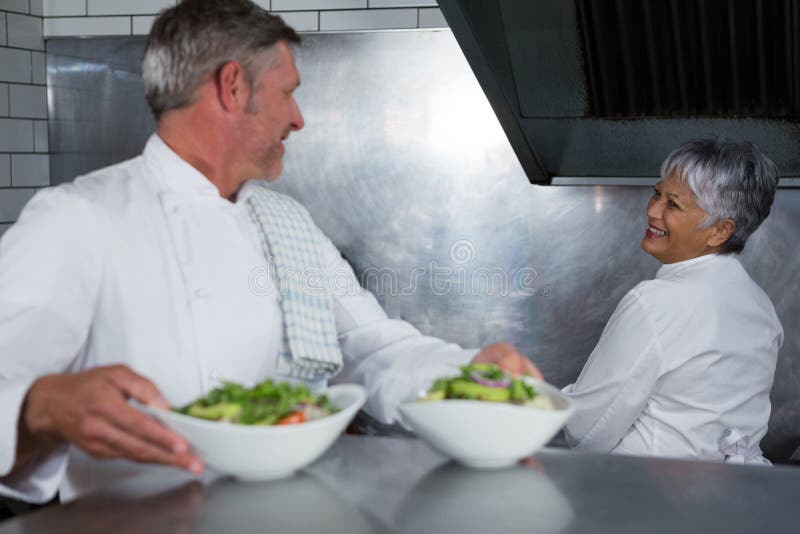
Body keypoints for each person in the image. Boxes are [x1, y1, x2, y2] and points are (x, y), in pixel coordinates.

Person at [0, 0, 537, 504]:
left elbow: (369, 348)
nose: (298, 118)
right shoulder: (80, 218)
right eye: (288, 92)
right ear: (233, 87)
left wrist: (467, 370)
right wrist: (39, 408)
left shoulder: (286, 223)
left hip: (287, 513)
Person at [561, 138, 783, 463]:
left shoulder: (657, 302)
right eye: (657, 193)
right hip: (739, 497)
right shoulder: (761, 306)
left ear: (720, 231)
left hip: (654, 499)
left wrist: (541, 400)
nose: (652, 210)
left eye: (673, 205)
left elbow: (586, 433)